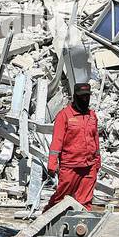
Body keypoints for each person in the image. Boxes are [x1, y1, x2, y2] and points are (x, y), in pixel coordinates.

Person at [44, 82, 101, 210]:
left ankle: (82, 223)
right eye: (82, 97)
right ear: (75, 96)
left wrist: (97, 161)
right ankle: (46, 223)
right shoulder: (64, 115)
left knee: (85, 201)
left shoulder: (92, 116)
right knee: (61, 198)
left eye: (87, 96)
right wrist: (52, 164)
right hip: (70, 166)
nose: (85, 99)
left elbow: (95, 139)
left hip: (89, 165)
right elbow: (57, 141)